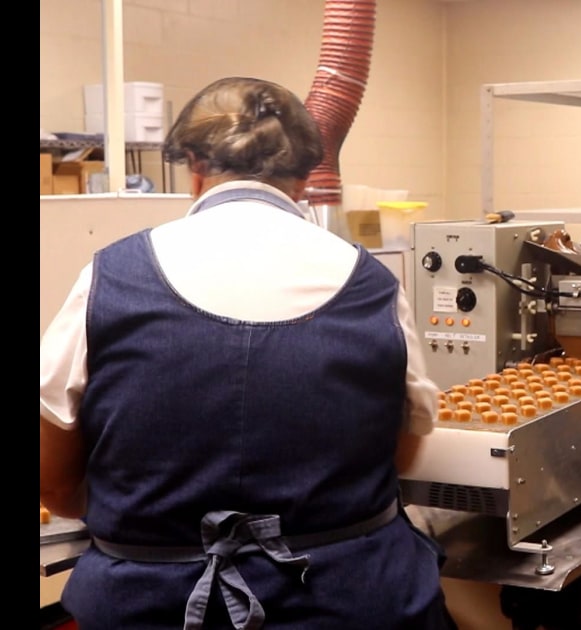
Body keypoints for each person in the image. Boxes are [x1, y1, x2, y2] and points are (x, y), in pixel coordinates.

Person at [39, 76, 458, 629]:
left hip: (147, 604)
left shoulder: (109, 277)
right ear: (306, 179)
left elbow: (53, 477)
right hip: (352, 599)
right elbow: (402, 454)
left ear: (193, 165)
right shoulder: (372, 283)